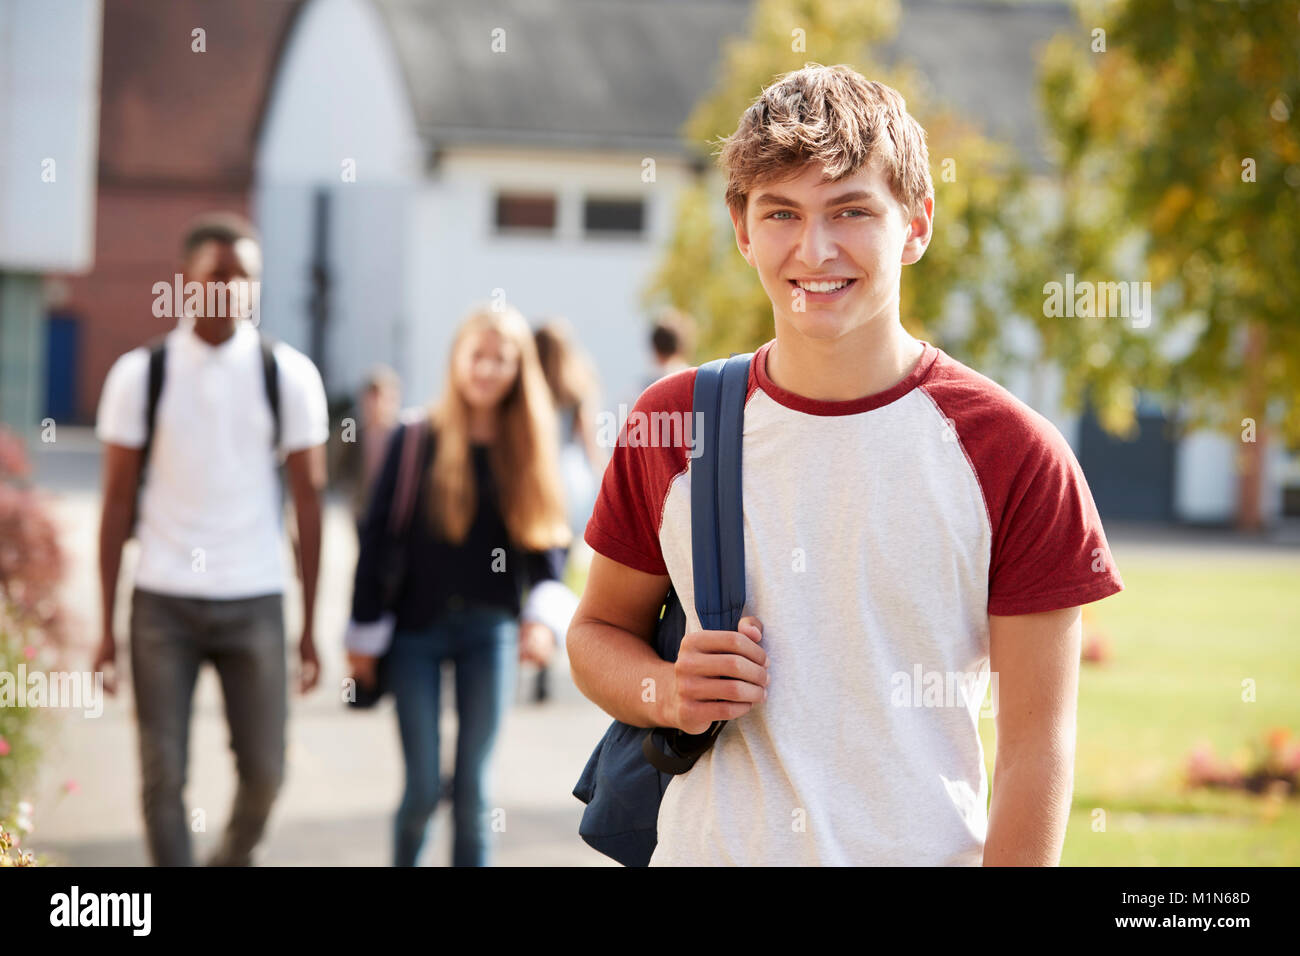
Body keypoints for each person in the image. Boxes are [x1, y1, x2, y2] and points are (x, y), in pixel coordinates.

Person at [566, 64, 1126, 866]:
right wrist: (666, 690)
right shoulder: (671, 423)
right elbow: (596, 633)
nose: (813, 248)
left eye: (852, 210)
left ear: (917, 224)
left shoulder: (1016, 455)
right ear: (742, 227)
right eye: (782, 212)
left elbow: (1037, 753)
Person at [94, 211, 329, 866]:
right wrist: (106, 629)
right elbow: (115, 506)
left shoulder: (290, 376)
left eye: (246, 278)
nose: (233, 290)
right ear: (185, 281)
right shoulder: (140, 375)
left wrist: (309, 625)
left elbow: (308, 506)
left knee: (266, 773)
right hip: (162, 601)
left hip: (254, 599)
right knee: (162, 774)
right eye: (218, 276)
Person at [345, 304, 578, 867]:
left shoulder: (528, 444)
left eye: (501, 359)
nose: (487, 369)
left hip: (490, 633)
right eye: (478, 356)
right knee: (423, 788)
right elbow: (375, 539)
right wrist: (361, 636)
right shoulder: (415, 438)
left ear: (518, 368)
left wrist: (543, 623)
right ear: (457, 359)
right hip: (413, 632)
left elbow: (549, 546)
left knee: (474, 791)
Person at [532, 319, 606, 702]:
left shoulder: (529, 387)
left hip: (539, 477)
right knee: (561, 567)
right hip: (572, 478)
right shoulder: (576, 386)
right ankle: (552, 636)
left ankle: (539, 636)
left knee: (540, 562)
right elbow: (590, 443)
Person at [339, 364, 402, 536]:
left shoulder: (401, 431)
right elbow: (341, 463)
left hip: (392, 508)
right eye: (372, 397)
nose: (376, 404)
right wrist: (351, 494)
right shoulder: (351, 427)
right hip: (362, 507)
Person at [643, 306, 696, 390]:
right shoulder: (697, 382)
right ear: (683, 347)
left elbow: (624, 403)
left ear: (655, 348)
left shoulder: (641, 389)